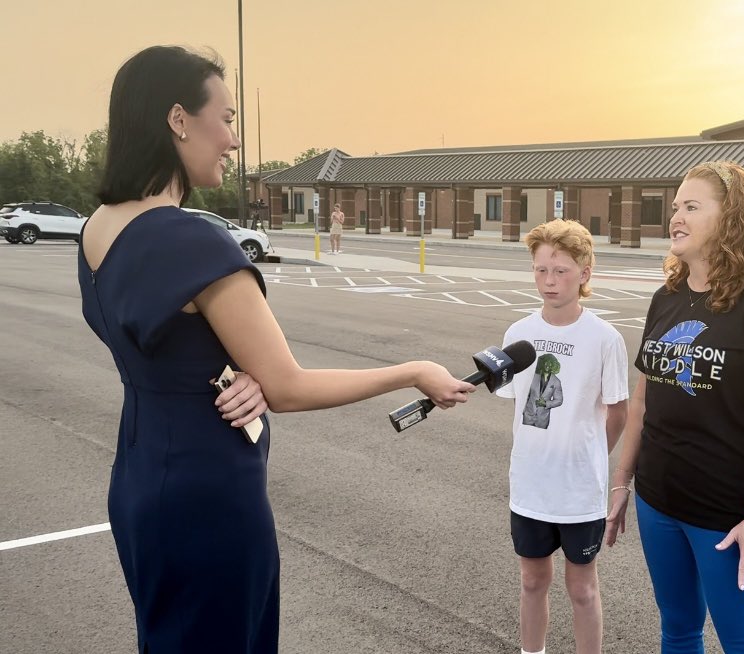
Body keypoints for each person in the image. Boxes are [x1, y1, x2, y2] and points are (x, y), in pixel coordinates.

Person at [78, 45, 475, 654]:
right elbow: (288, 387)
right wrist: (413, 370)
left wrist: (224, 371)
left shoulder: (97, 228)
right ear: (178, 119)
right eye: (228, 118)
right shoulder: (192, 241)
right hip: (208, 489)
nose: (234, 140)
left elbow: (154, 341)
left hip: (139, 479)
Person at [604, 161, 744, 654]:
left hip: (726, 517)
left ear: (730, 218)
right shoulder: (665, 298)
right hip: (658, 501)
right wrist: (622, 482)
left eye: (692, 207)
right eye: (675, 208)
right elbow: (644, 401)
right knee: (679, 630)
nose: (677, 217)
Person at [496, 220, 630, 654]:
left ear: (585, 274)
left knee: (582, 589)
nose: (549, 282)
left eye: (561, 271)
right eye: (541, 271)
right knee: (532, 580)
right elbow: (515, 400)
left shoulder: (605, 339)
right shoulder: (518, 334)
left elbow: (618, 412)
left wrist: (589, 453)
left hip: (579, 491)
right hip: (531, 485)